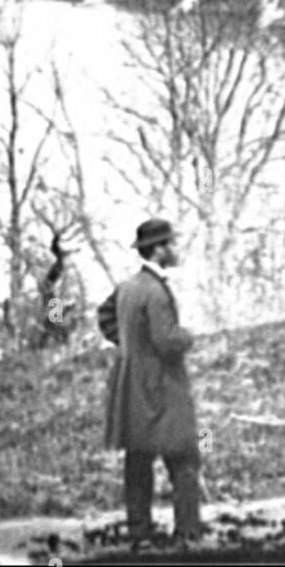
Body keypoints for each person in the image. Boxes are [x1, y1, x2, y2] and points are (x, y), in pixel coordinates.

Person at [97, 218, 202, 547]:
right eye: (171, 243)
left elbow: (105, 316)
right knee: (184, 457)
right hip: (162, 386)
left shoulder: (128, 286)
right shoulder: (156, 291)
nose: (175, 249)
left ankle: (138, 532)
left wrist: (130, 343)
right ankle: (187, 533)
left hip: (131, 386)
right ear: (158, 249)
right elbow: (166, 340)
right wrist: (188, 337)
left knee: (138, 459)